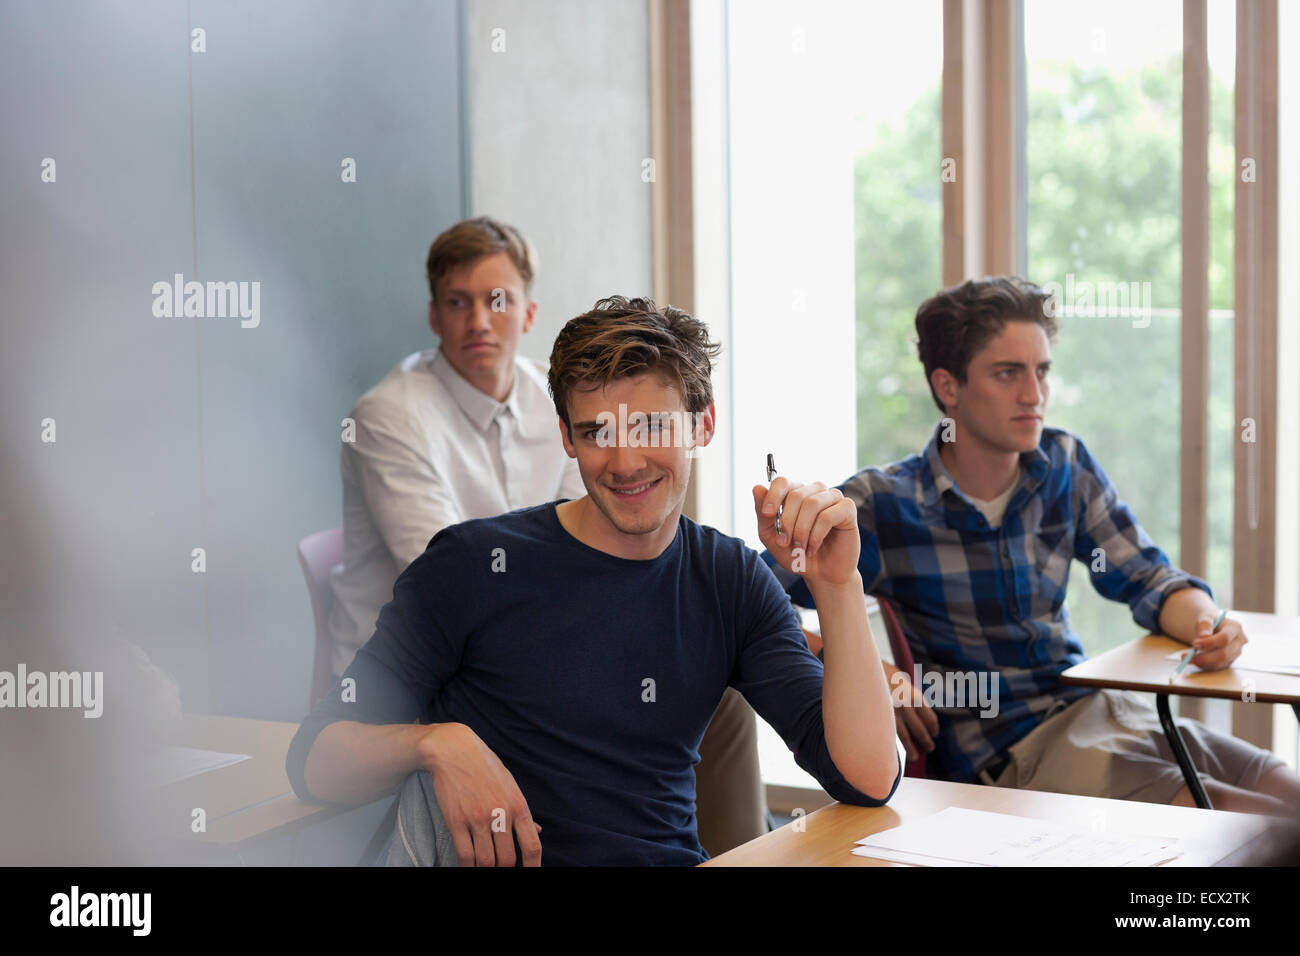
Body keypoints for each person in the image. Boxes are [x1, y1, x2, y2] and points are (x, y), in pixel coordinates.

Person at [286, 296, 900, 865]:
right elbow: (314, 757)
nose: (625, 461)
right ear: (566, 438)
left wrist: (837, 586)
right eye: (596, 433)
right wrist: (435, 744)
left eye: (652, 428)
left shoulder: (729, 578)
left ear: (702, 426)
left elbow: (867, 779)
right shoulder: (473, 565)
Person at [769, 276, 1300, 815]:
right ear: (948, 386)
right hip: (1011, 751)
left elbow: (1147, 578)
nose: (1034, 394)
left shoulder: (1063, 463)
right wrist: (852, 663)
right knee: (1244, 821)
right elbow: (755, 607)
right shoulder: (884, 502)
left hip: (1102, 710)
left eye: (1041, 371)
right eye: (1008, 373)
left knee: (1286, 790)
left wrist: (1210, 626)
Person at [323, 216, 767, 855]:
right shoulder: (390, 415)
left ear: (528, 312)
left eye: (497, 300)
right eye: (458, 302)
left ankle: (728, 851)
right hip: (440, 669)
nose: (479, 319)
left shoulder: (560, 397)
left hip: (541, 629)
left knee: (717, 694)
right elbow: (445, 560)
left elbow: (595, 529)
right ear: (433, 315)